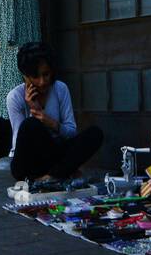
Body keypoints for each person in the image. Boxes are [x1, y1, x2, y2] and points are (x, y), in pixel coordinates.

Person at [7, 42, 103, 183]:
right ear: (26, 76)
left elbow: (71, 132)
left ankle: (52, 176)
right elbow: (20, 141)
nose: (42, 82)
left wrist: (51, 123)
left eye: (46, 74)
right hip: (30, 161)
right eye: (35, 76)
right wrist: (33, 110)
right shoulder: (15, 97)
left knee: (95, 133)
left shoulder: (60, 89)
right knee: (30, 124)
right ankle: (62, 173)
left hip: (56, 154)